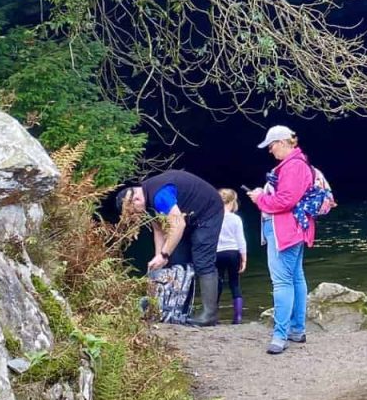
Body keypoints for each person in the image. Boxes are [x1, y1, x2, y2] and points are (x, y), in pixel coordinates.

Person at [115, 169, 225, 327]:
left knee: (202, 260)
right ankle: (181, 309)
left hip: (208, 210)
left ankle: (209, 314)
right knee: (178, 260)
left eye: (133, 212)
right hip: (187, 215)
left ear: (136, 199)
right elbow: (159, 229)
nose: (135, 217)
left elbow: (178, 224)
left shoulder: (160, 196)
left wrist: (164, 254)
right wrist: (159, 258)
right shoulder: (147, 202)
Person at [248, 124, 312, 356]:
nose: (270, 150)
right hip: (294, 229)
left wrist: (260, 198)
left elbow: (285, 200)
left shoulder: (293, 166)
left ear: (284, 142)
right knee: (295, 277)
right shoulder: (297, 164)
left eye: (272, 145)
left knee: (282, 282)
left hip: (284, 230)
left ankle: (280, 335)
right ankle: (297, 329)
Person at [216, 188, 248, 325]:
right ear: (232, 201)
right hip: (233, 253)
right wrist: (244, 258)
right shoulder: (236, 219)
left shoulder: (213, 217)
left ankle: (213, 315)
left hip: (217, 253)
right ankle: (238, 317)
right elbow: (241, 239)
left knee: (217, 283)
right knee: (234, 283)